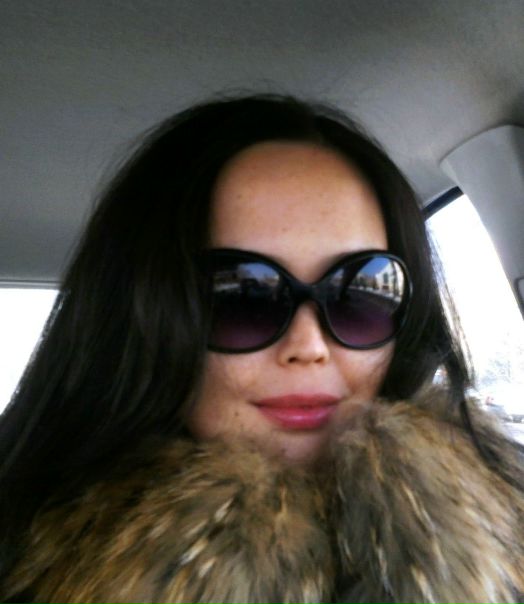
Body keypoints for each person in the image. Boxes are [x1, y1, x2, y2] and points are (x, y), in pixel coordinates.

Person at [0, 95, 522, 604]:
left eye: (360, 293)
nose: (309, 347)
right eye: (239, 299)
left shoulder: (506, 541)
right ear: (141, 317)